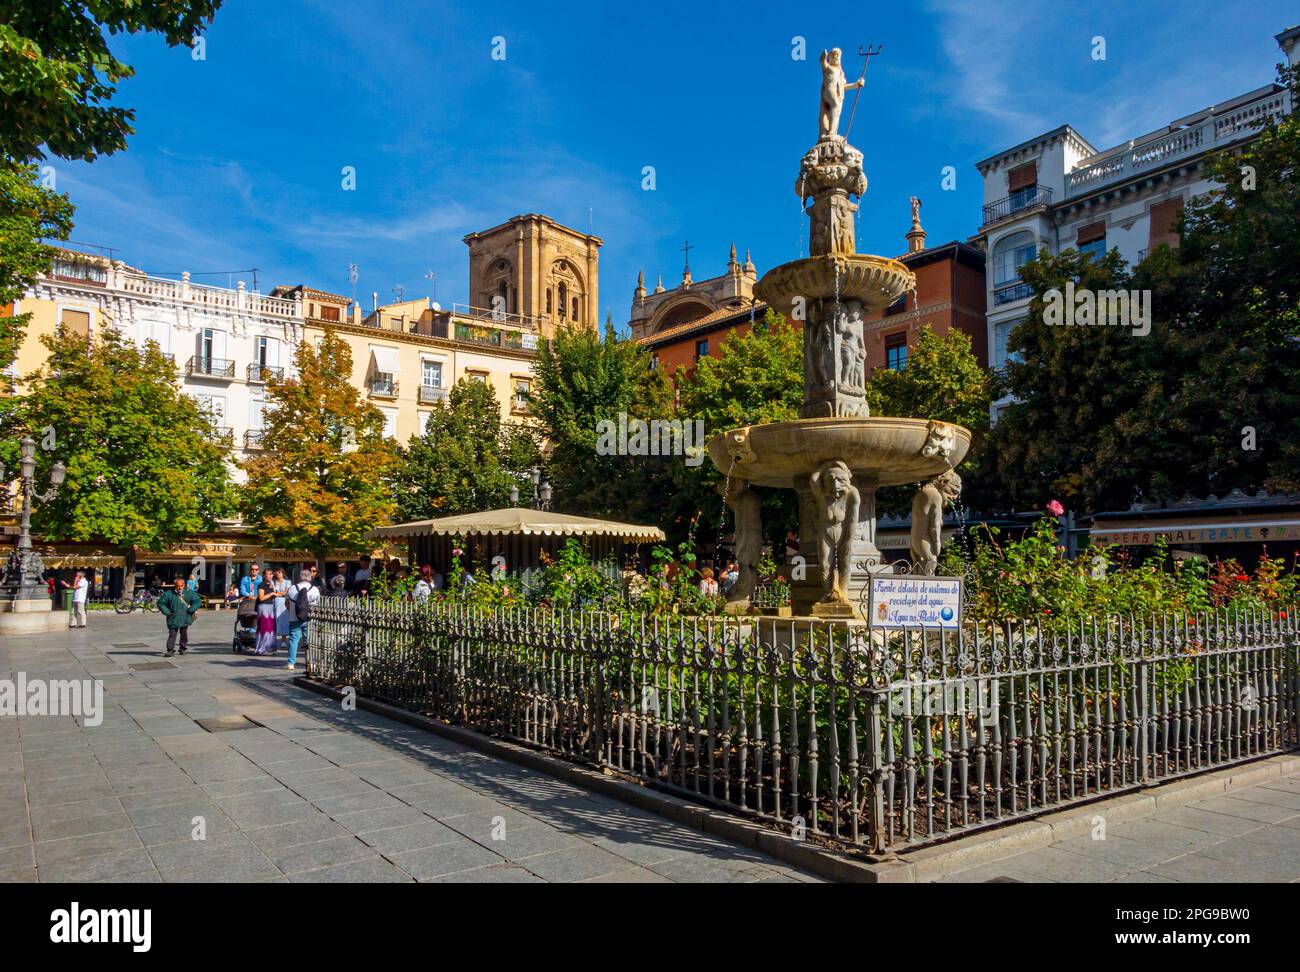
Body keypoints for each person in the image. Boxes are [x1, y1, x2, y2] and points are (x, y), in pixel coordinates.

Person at [285, 569, 321, 671]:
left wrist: (292, 611)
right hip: (310, 619)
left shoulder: (292, 588)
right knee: (309, 640)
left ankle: (291, 663)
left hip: (294, 617)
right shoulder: (314, 589)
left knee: (293, 640)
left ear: (300, 577)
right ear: (310, 577)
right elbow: (317, 605)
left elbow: (287, 603)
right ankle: (311, 662)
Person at [158, 576, 202, 656]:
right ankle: (170, 650)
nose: (179, 588)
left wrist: (192, 609)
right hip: (173, 617)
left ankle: (182, 648)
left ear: (184, 585)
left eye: (181, 586)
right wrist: (167, 612)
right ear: (174, 585)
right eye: (177, 586)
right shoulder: (169, 593)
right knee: (172, 634)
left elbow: (197, 601)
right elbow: (161, 603)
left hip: (185, 617)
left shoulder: (189, 593)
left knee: (184, 633)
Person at [253, 574, 278, 655]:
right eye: (267, 574)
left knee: (270, 628)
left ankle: (269, 647)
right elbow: (261, 598)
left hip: (270, 607)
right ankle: (262, 648)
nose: (270, 576)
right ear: (264, 576)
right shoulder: (262, 584)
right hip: (263, 608)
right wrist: (271, 594)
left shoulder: (271, 585)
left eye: (271, 574)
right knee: (264, 628)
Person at [272, 567, 291, 643]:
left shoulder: (287, 582)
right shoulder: (273, 582)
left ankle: (283, 640)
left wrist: (277, 593)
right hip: (275, 602)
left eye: (279, 572)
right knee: (275, 620)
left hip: (284, 603)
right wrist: (279, 594)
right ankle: (273, 640)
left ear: (282, 573)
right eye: (276, 573)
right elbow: (272, 592)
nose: (278, 574)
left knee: (284, 621)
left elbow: (286, 592)